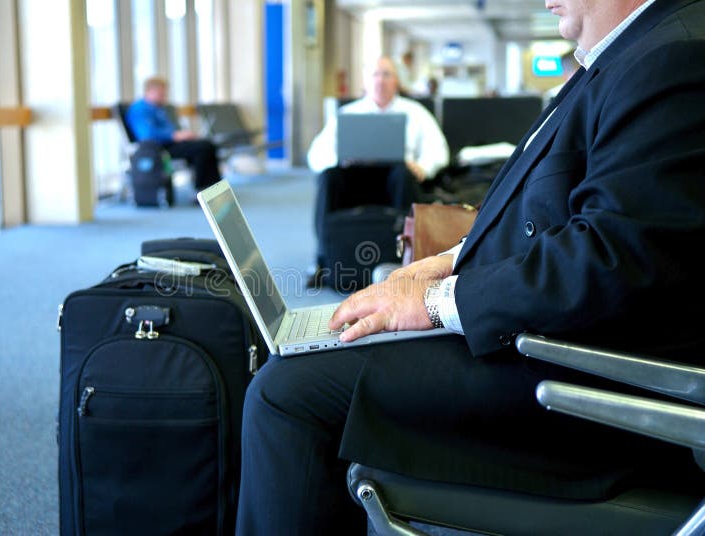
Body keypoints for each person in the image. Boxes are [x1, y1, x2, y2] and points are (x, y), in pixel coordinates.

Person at [237, 1, 705, 534]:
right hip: (546, 339)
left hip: (586, 386)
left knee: (287, 392)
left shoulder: (673, 58)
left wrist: (435, 304)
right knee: (327, 348)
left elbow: (609, 260)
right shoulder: (626, 56)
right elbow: (554, 214)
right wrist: (443, 264)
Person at [307, 56, 450, 283]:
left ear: (396, 81)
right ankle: (324, 258)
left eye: (386, 74)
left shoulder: (416, 112)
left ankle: (409, 259)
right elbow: (316, 154)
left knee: (404, 174)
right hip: (355, 180)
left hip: (396, 181)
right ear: (365, 81)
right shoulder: (348, 114)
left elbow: (439, 150)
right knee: (328, 177)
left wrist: (423, 166)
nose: (380, 80)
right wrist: (338, 160)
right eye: (375, 74)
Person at [125, 76, 221, 191]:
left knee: (207, 144)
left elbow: (169, 129)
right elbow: (147, 135)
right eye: (161, 94)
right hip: (157, 148)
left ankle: (214, 187)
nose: (164, 97)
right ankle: (202, 189)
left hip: (170, 143)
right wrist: (174, 135)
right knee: (202, 148)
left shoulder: (157, 108)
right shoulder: (139, 109)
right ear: (150, 91)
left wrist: (183, 135)